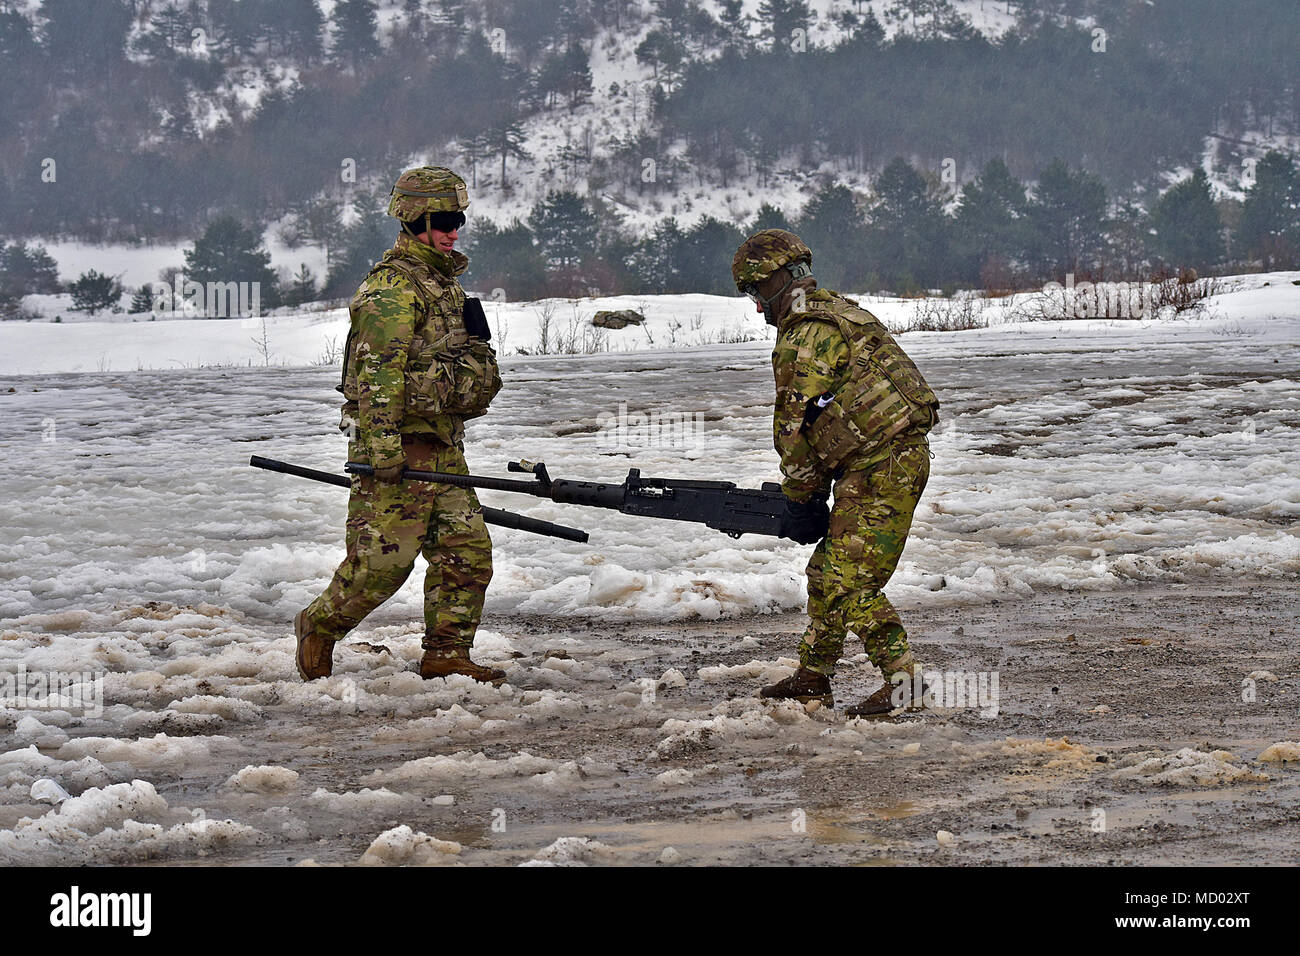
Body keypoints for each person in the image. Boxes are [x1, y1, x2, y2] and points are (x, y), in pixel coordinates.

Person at [294, 166, 505, 684]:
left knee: (467, 553)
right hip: (397, 447)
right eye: (444, 220)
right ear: (414, 219)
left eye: (458, 220)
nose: (454, 230)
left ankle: (446, 655)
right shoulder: (391, 287)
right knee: (381, 566)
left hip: (440, 443)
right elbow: (376, 372)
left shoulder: (442, 285)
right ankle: (318, 625)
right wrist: (383, 447)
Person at [731, 229, 940, 716]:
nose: (759, 308)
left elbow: (793, 426)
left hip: (880, 467)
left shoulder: (805, 334)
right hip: (880, 462)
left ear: (779, 280)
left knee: (849, 583)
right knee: (827, 571)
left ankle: (904, 681)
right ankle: (813, 676)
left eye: (758, 293)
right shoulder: (841, 311)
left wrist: (801, 498)